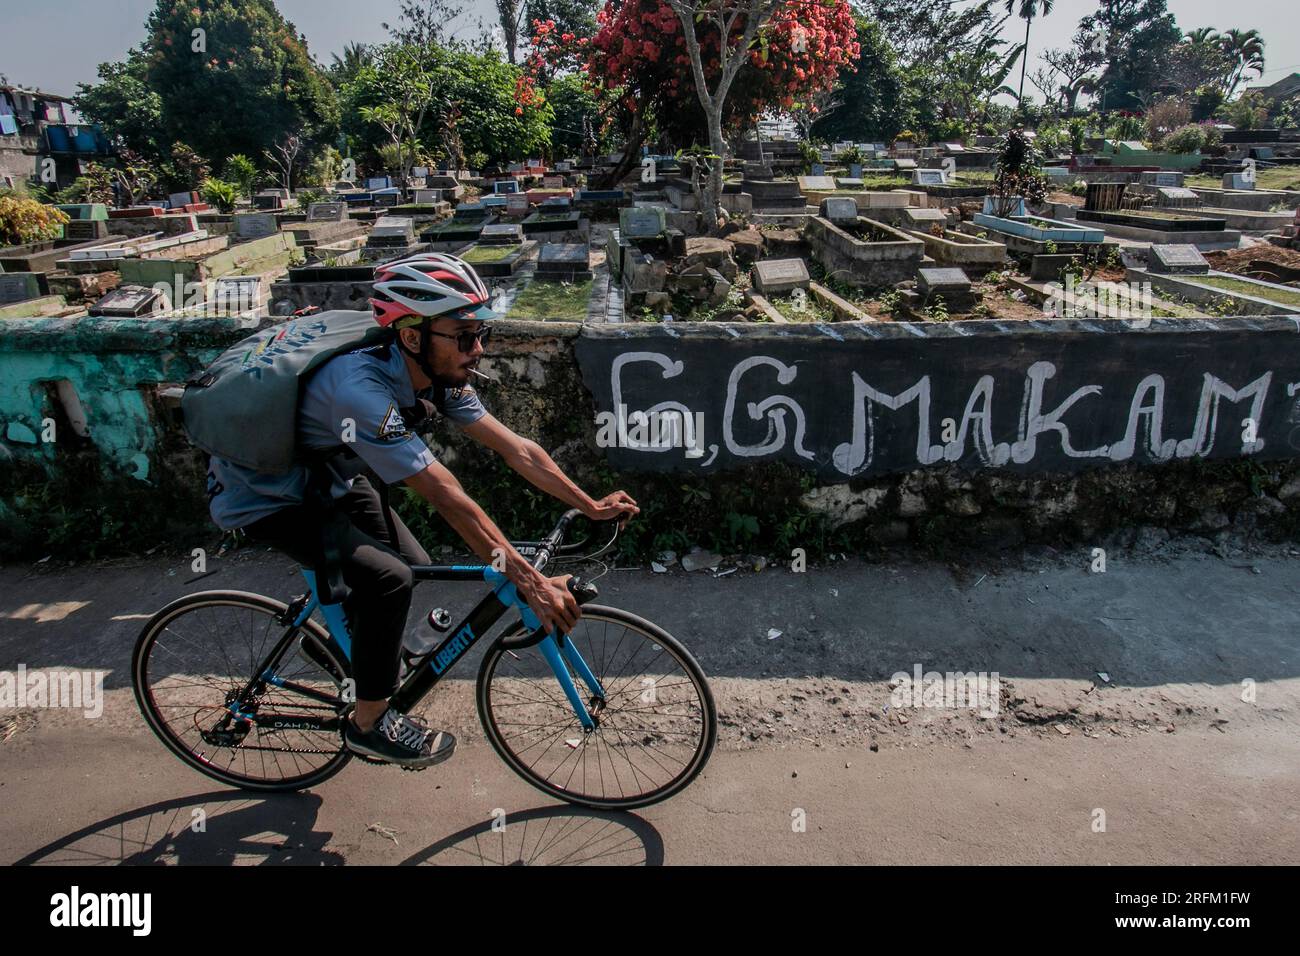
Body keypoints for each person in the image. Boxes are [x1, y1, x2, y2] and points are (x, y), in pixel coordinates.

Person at [204, 254, 639, 768]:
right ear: (412, 337)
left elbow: (516, 448)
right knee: (389, 578)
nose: (477, 349)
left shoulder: (437, 372)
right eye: (463, 336)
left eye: (480, 333)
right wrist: (531, 583)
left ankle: (345, 650)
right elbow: (444, 493)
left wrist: (588, 505)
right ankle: (368, 725)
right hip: (268, 494)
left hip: (329, 468)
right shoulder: (361, 391)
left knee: (410, 562)